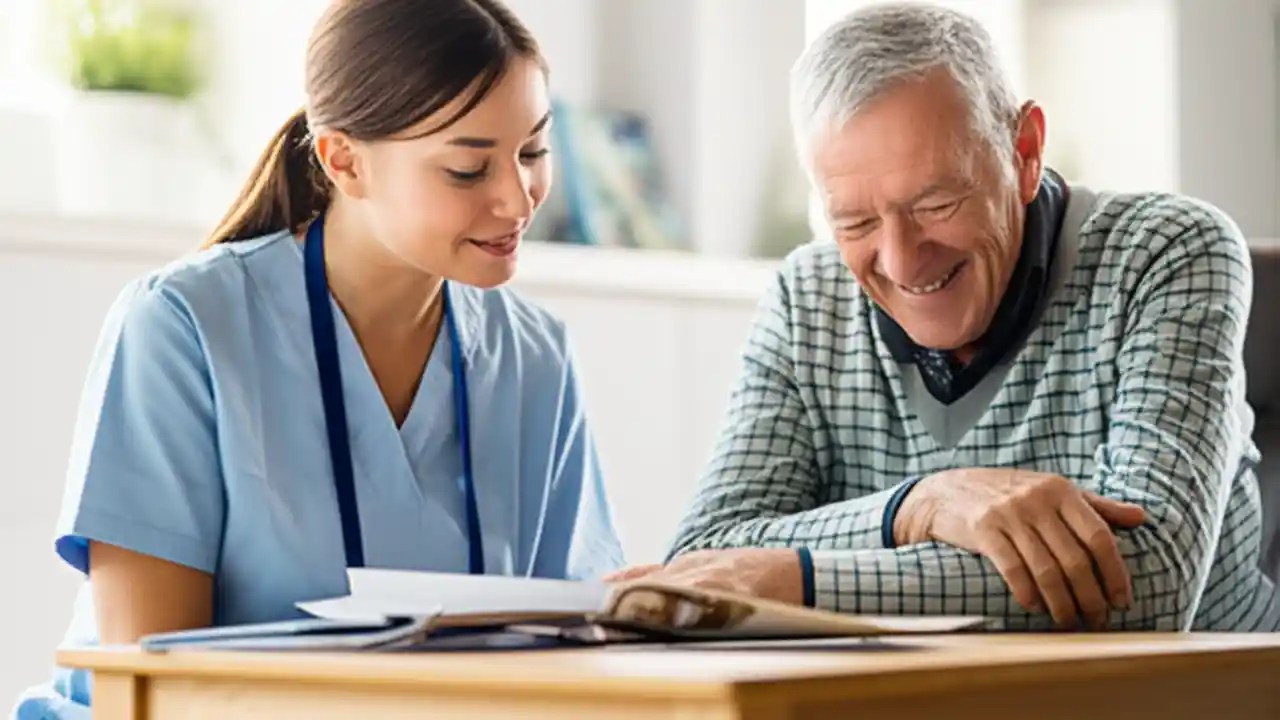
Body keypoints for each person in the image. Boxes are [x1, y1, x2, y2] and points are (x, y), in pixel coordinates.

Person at [13, 0, 624, 716]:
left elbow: (578, 659)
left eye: (532, 152)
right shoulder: (182, 327)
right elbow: (145, 683)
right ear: (344, 161)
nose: (517, 199)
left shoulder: (536, 356)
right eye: (467, 169)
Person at [613, 2, 1277, 632]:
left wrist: (802, 581)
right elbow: (705, 553)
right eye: (856, 221)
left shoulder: (1167, 250)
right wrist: (919, 507)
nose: (901, 261)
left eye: (935, 204)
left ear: (1024, 151)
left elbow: (1148, 581)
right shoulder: (807, 298)